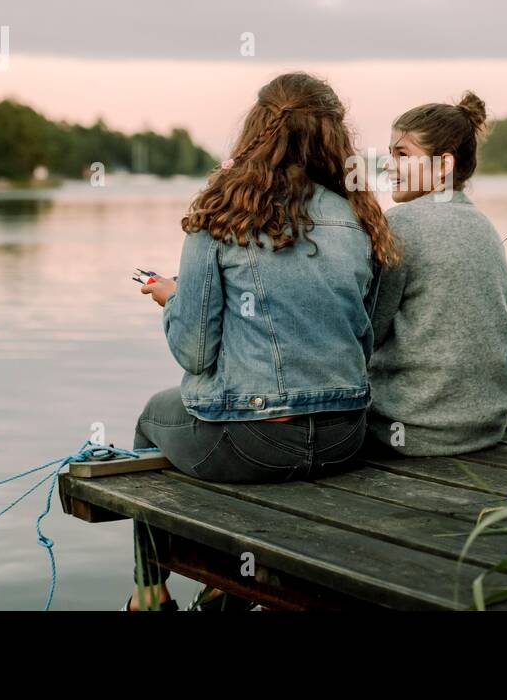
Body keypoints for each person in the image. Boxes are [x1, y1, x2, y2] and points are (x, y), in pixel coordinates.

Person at [124, 72, 400, 611]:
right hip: (345, 437)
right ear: (333, 137)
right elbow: (359, 337)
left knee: (152, 419)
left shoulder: (220, 215)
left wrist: (174, 301)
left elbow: (194, 352)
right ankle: (227, 583)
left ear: (256, 130)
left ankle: (149, 595)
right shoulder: (361, 218)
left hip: (258, 443)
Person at [362, 90, 507, 460]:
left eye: (402, 155)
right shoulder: (484, 226)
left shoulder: (400, 224)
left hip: (412, 430)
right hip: (486, 426)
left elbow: (370, 330)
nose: (389, 166)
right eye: (390, 154)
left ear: (444, 164)